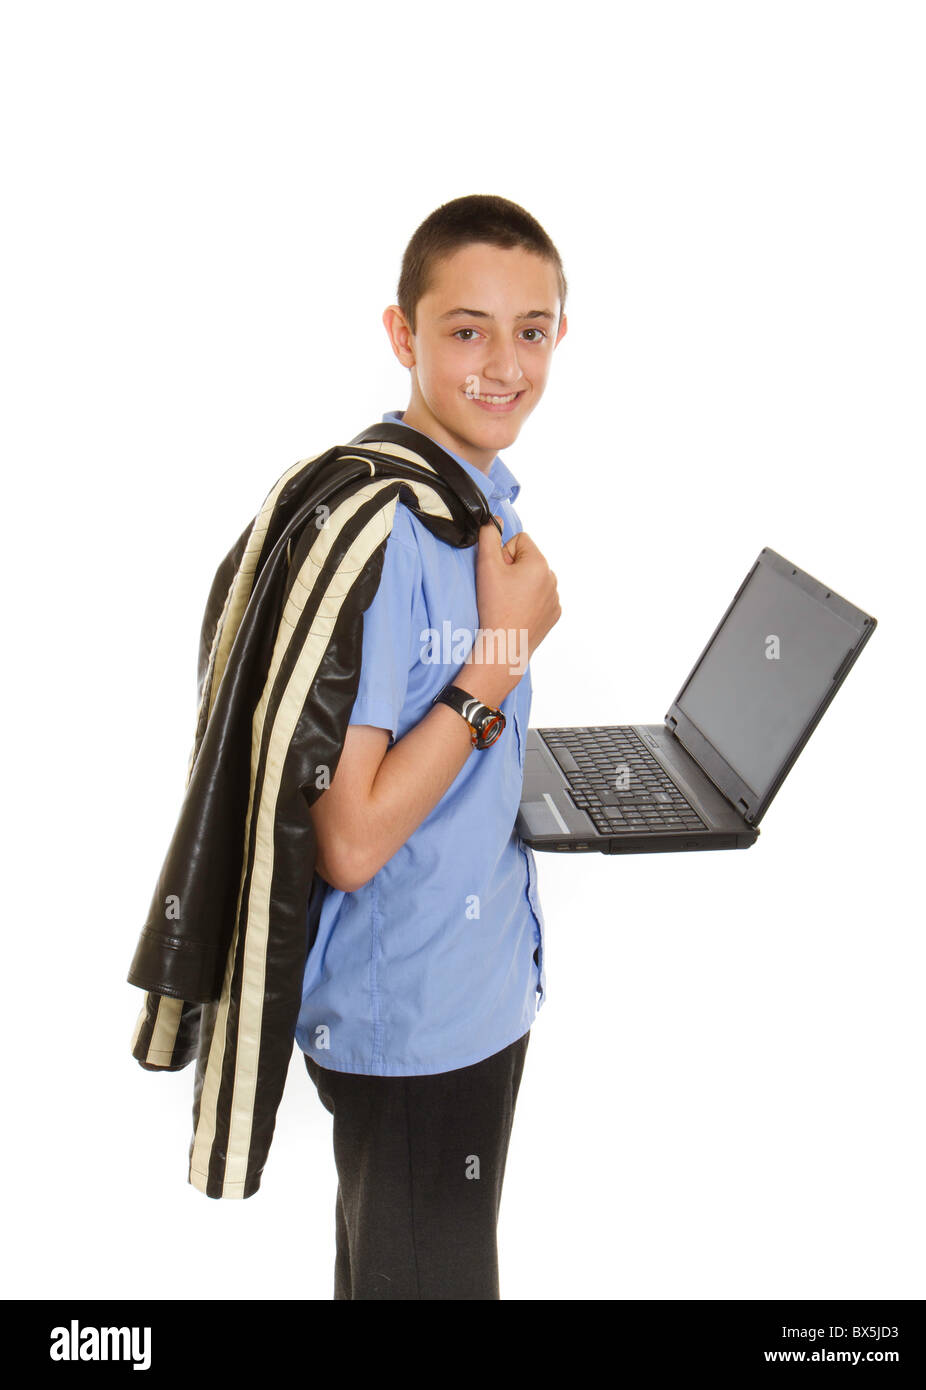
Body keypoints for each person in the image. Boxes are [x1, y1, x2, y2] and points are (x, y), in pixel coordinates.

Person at [294, 193, 568, 1299]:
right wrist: (498, 662)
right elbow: (351, 840)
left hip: (471, 991)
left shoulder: (474, 504)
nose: (504, 364)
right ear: (403, 335)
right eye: (467, 330)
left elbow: (445, 750)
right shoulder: (389, 532)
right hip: (413, 1019)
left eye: (532, 329)